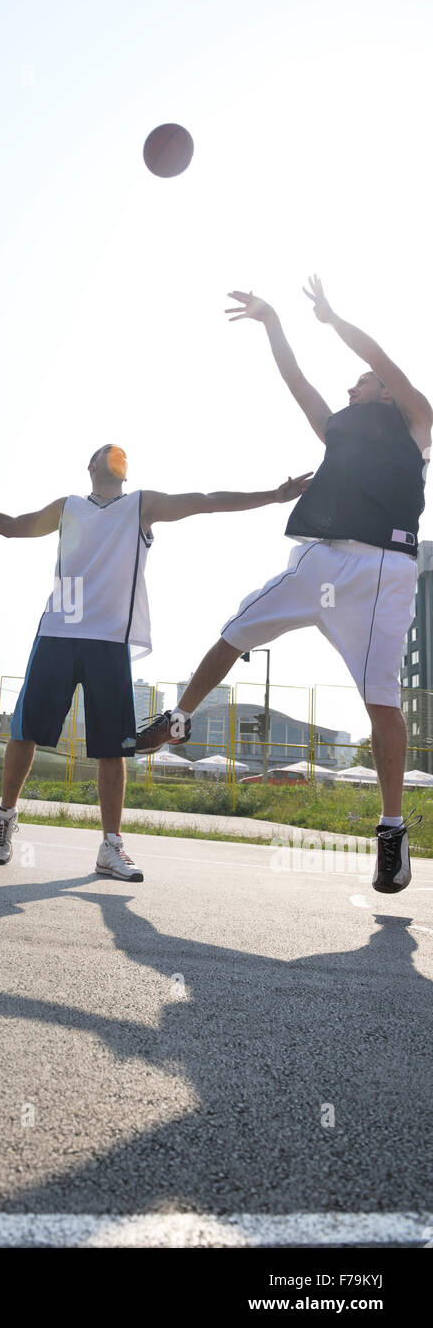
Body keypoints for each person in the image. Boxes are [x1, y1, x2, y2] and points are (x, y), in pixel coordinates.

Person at [0, 446, 310, 881]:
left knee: (114, 748)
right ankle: (5, 819)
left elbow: (206, 501)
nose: (115, 456)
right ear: (90, 467)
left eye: (121, 455)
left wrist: (274, 495)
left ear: (125, 473)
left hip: (109, 639)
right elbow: (14, 528)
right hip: (60, 629)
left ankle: (111, 848)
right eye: (105, 453)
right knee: (26, 733)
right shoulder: (68, 507)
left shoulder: (141, 505)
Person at [169, 277, 431, 895]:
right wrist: (273, 323)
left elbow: (377, 359)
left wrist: (332, 319)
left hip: (381, 571)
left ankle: (391, 832)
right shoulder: (339, 429)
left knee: (382, 701)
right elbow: (299, 386)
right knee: (234, 631)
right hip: (318, 561)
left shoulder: (417, 422)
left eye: (360, 384)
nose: (350, 386)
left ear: (387, 395)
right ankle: (178, 719)